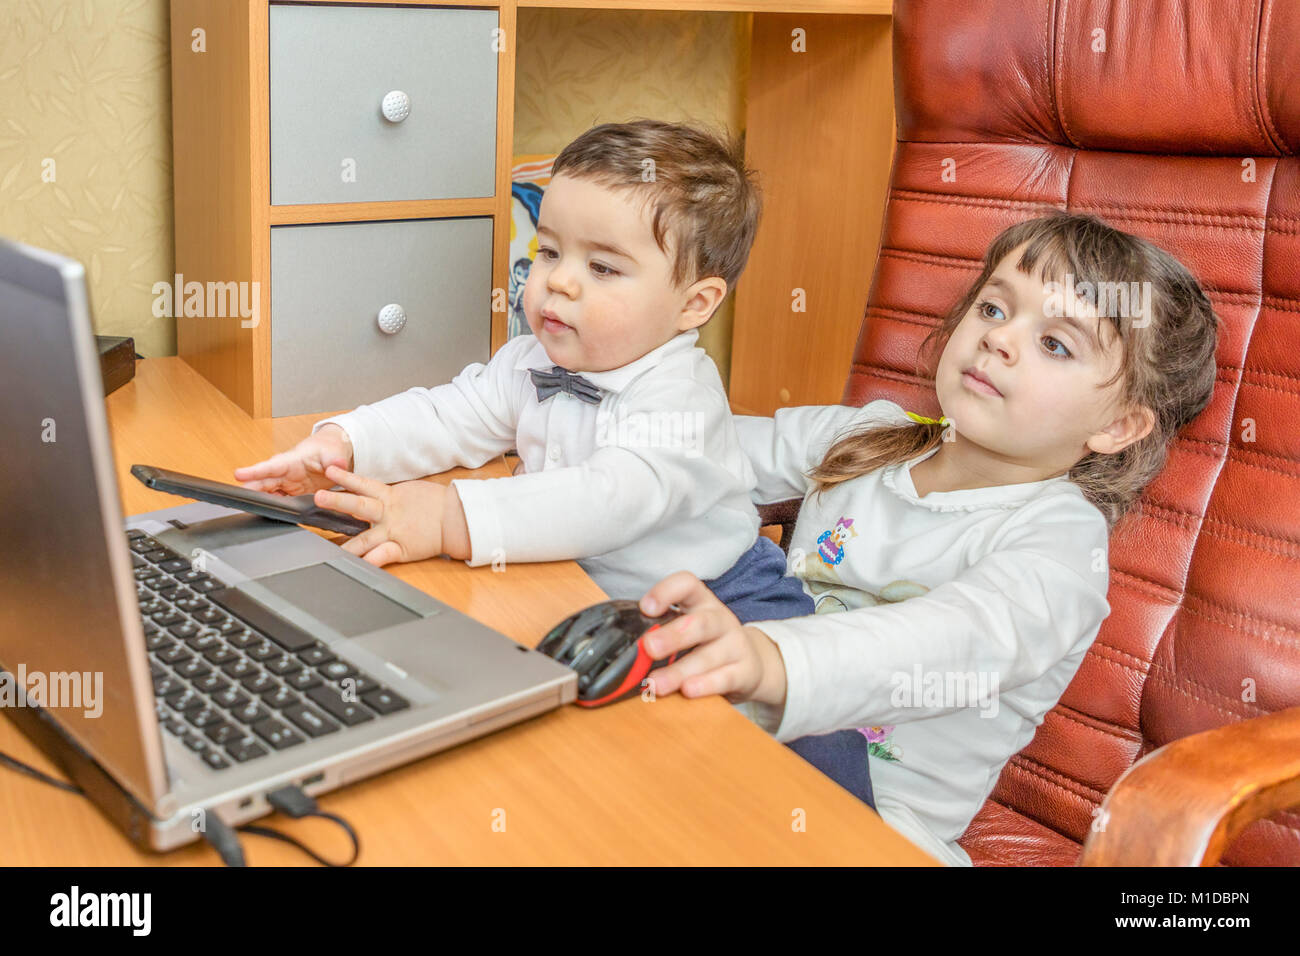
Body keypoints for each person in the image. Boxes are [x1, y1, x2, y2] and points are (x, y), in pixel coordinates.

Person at [633, 211, 1219, 865]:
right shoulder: (874, 436)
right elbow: (707, 451)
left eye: (1056, 344)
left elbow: (953, 641)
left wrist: (774, 657)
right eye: (995, 308)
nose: (999, 340)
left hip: (879, 822)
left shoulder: (1060, 547)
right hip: (730, 738)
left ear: (1117, 427)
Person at [233, 119, 811, 622]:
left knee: (780, 728)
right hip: (582, 583)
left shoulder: (680, 400)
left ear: (694, 303)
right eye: (550, 252)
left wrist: (448, 519)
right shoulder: (535, 359)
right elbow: (450, 415)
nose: (558, 280)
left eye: (604, 267)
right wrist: (344, 445)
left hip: (723, 593)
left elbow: (605, 502)